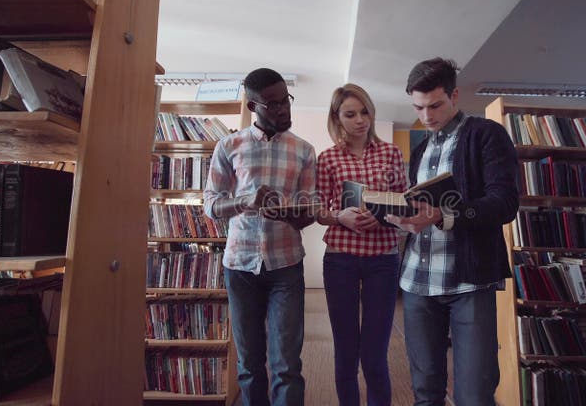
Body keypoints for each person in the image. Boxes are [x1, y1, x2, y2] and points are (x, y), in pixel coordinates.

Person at [385, 58, 519, 406]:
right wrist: (404, 217)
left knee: (474, 393)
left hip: (468, 282)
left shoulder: (485, 134)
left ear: (454, 95)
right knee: (426, 392)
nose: (426, 116)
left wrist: (443, 215)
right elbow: (421, 207)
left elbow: (505, 203)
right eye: (418, 107)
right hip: (417, 281)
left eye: (435, 105)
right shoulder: (419, 150)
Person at [203, 68, 316, 406]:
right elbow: (210, 205)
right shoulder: (228, 146)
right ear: (253, 106)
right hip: (240, 266)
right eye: (273, 104)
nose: (283, 109)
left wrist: (286, 211)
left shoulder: (305, 150)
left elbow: (310, 209)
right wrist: (245, 201)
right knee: (250, 363)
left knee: (286, 364)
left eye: (286, 100)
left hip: (286, 265)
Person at [314, 83, 407, 406]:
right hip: (340, 259)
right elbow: (319, 212)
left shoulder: (391, 153)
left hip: (382, 258)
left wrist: (382, 216)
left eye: (364, 111)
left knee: (375, 352)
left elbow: (403, 205)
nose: (360, 120)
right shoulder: (327, 159)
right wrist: (341, 216)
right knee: (346, 349)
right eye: (350, 114)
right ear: (337, 118)